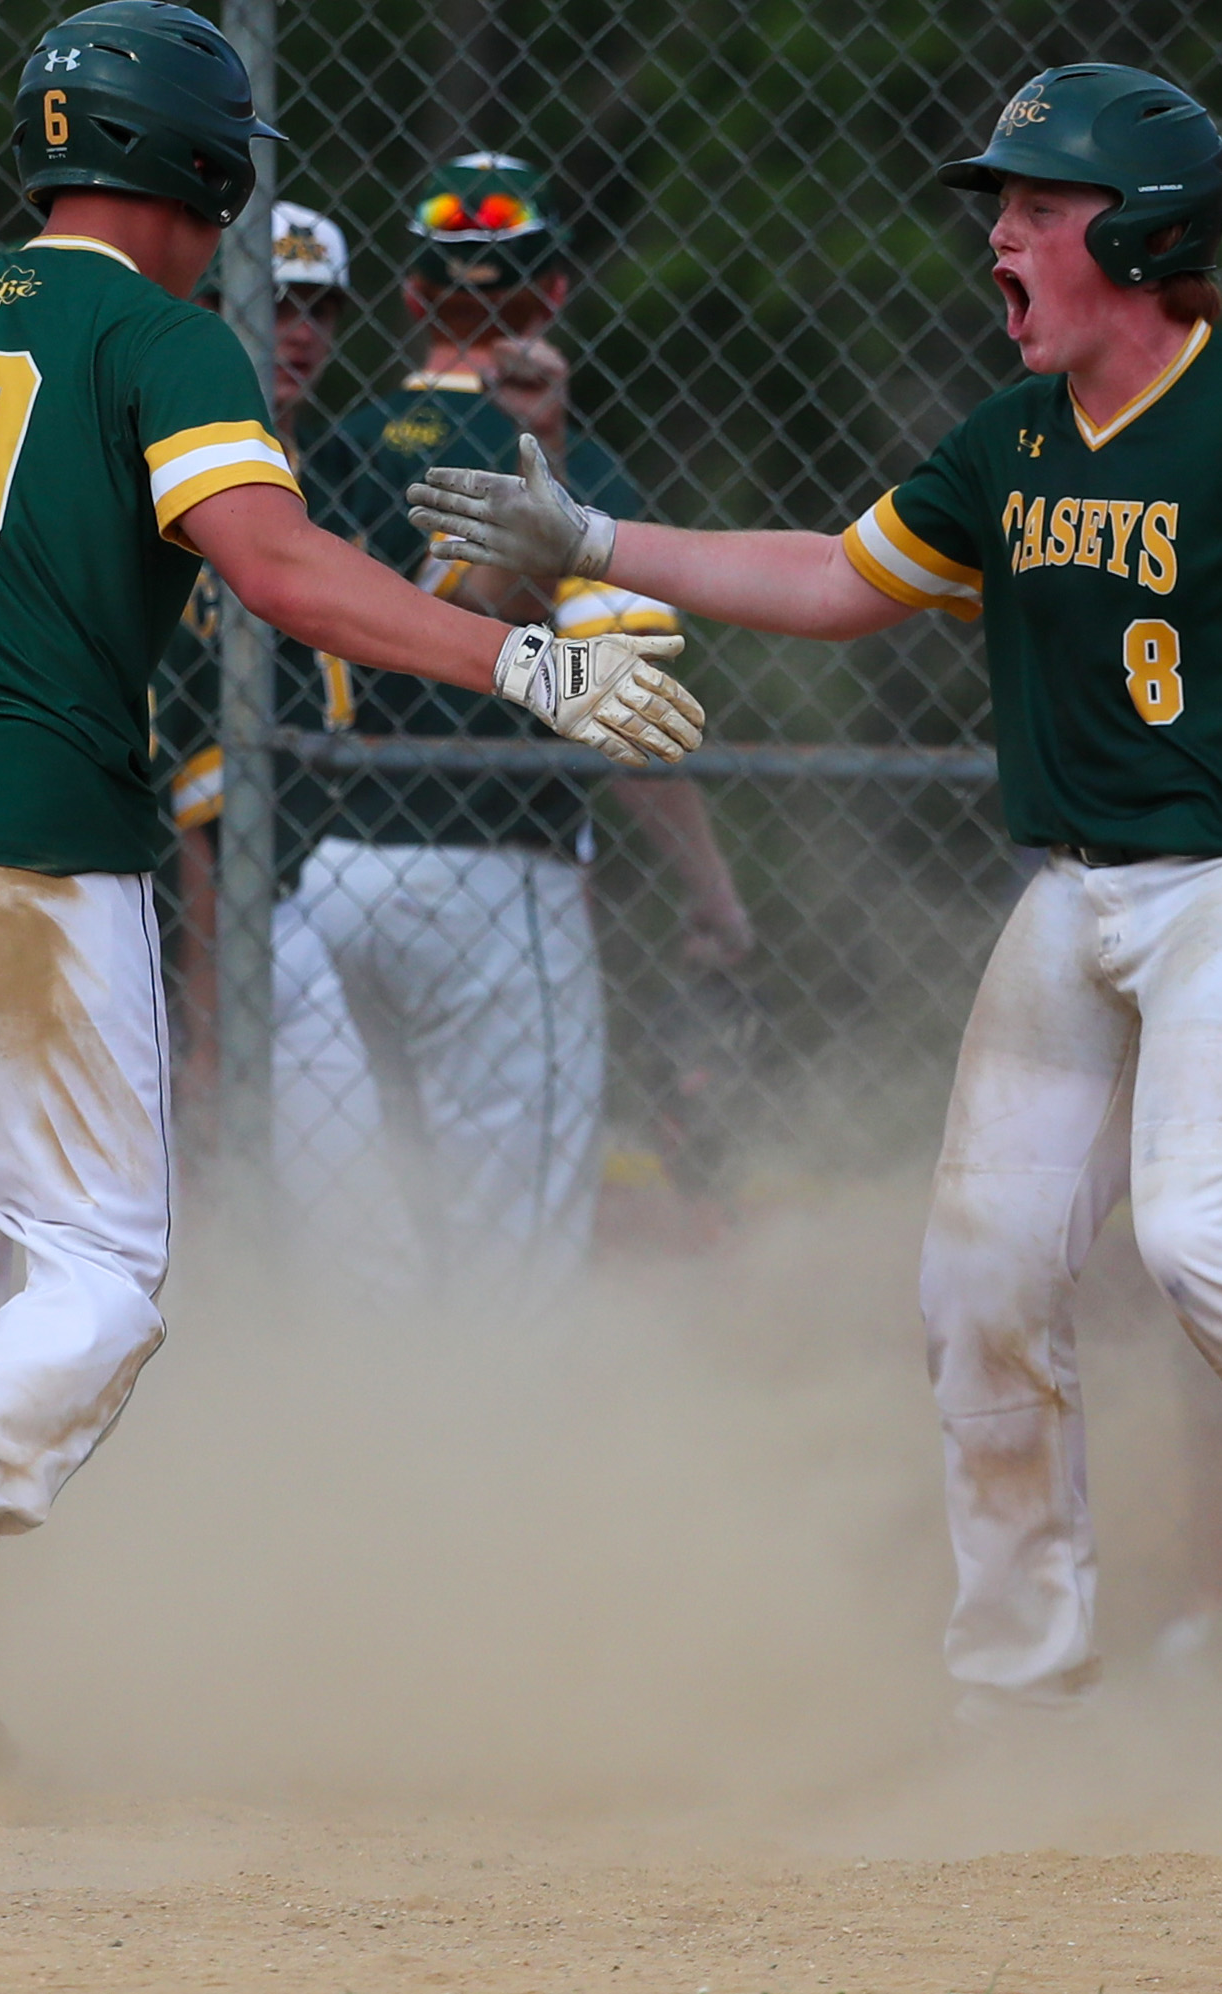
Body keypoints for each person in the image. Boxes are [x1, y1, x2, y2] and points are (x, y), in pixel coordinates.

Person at [412, 65, 1222, 1808]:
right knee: (978, 1280)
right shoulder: (1016, 440)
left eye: (1037, 206)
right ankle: (1022, 1695)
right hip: (1085, 887)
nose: (1002, 236)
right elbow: (835, 579)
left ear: (1140, 235)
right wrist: (591, 534)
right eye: (1005, 206)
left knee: (1208, 1235)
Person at [0, 0, 701, 1773]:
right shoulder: (161, 342)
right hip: (22, 836)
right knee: (103, 1267)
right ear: (206, 173)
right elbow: (281, 568)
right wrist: (523, 666)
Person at [301, 151, 754, 1304]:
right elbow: (625, 716)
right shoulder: (576, 475)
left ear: (410, 300)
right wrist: (711, 889)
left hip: (321, 875)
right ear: (554, 296)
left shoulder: (338, 447)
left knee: (361, 1227)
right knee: (509, 1257)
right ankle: (491, 1462)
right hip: (494, 880)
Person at [159, 201, 412, 1270]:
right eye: (267, 302)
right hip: (217, 917)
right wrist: (211, 1020)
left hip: (345, 890)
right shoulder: (184, 490)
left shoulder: (347, 479)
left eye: (319, 306)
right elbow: (200, 798)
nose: (296, 329)